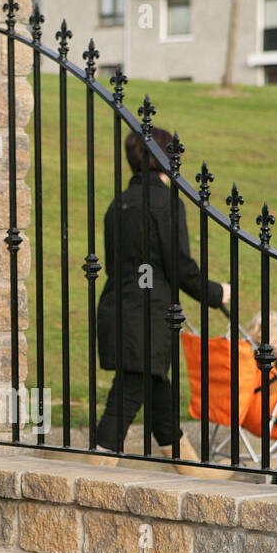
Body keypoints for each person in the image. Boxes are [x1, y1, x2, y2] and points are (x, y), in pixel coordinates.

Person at [92, 127, 232, 473]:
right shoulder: (166, 204)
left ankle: (192, 469)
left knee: (158, 399)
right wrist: (218, 293)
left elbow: (118, 266)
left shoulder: (118, 205)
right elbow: (180, 267)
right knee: (125, 398)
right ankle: (88, 476)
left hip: (120, 311)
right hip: (148, 319)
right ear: (163, 159)